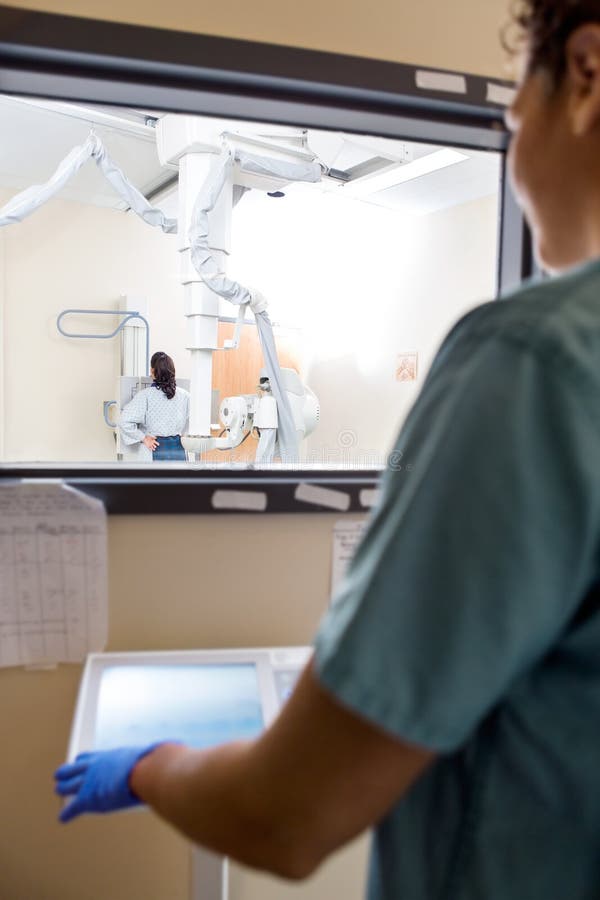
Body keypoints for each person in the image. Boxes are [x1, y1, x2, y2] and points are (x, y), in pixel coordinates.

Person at [54, 4, 600, 897]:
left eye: (511, 116)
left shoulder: (535, 361)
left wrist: (150, 765)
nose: (512, 150)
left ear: (584, 73)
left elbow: (289, 813)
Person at [119, 351, 189, 461]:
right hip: (178, 450)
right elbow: (193, 423)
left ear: (152, 371)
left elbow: (123, 420)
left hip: (154, 448)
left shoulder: (145, 395)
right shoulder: (184, 395)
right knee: (178, 478)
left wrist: (143, 438)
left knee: (154, 478)